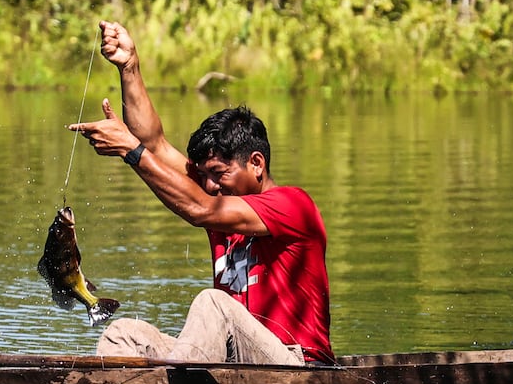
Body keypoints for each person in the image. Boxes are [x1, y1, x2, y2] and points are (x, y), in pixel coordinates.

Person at [68, 22, 332, 365]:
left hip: (296, 364)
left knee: (214, 304)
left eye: (218, 174)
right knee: (124, 334)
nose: (209, 185)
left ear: (256, 163)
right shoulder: (219, 199)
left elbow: (199, 208)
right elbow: (155, 145)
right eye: (204, 175)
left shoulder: (292, 205)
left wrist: (130, 151)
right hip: (233, 361)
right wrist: (129, 67)